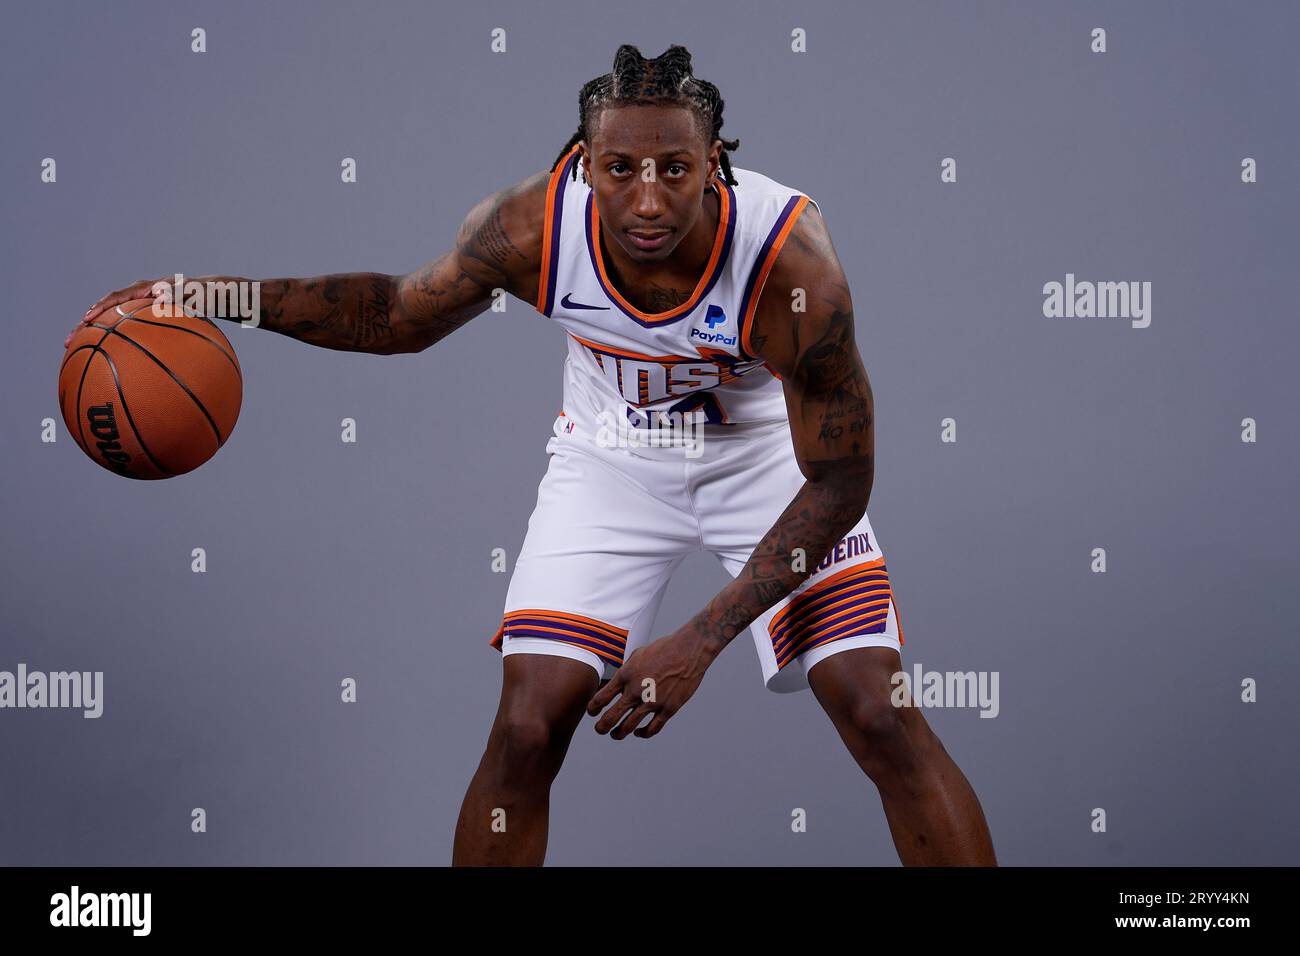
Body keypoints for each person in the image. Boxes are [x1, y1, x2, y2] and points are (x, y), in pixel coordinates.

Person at [80, 44, 996, 867]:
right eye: (620, 168)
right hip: (611, 462)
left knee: (880, 711)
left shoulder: (791, 271)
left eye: (675, 168)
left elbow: (840, 479)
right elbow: (395, 316)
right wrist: (205, 293)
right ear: (580, 165)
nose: (647, 196)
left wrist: (700, 640)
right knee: (524, 727)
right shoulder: (529, 228)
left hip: (770, 467)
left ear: (715, 165)